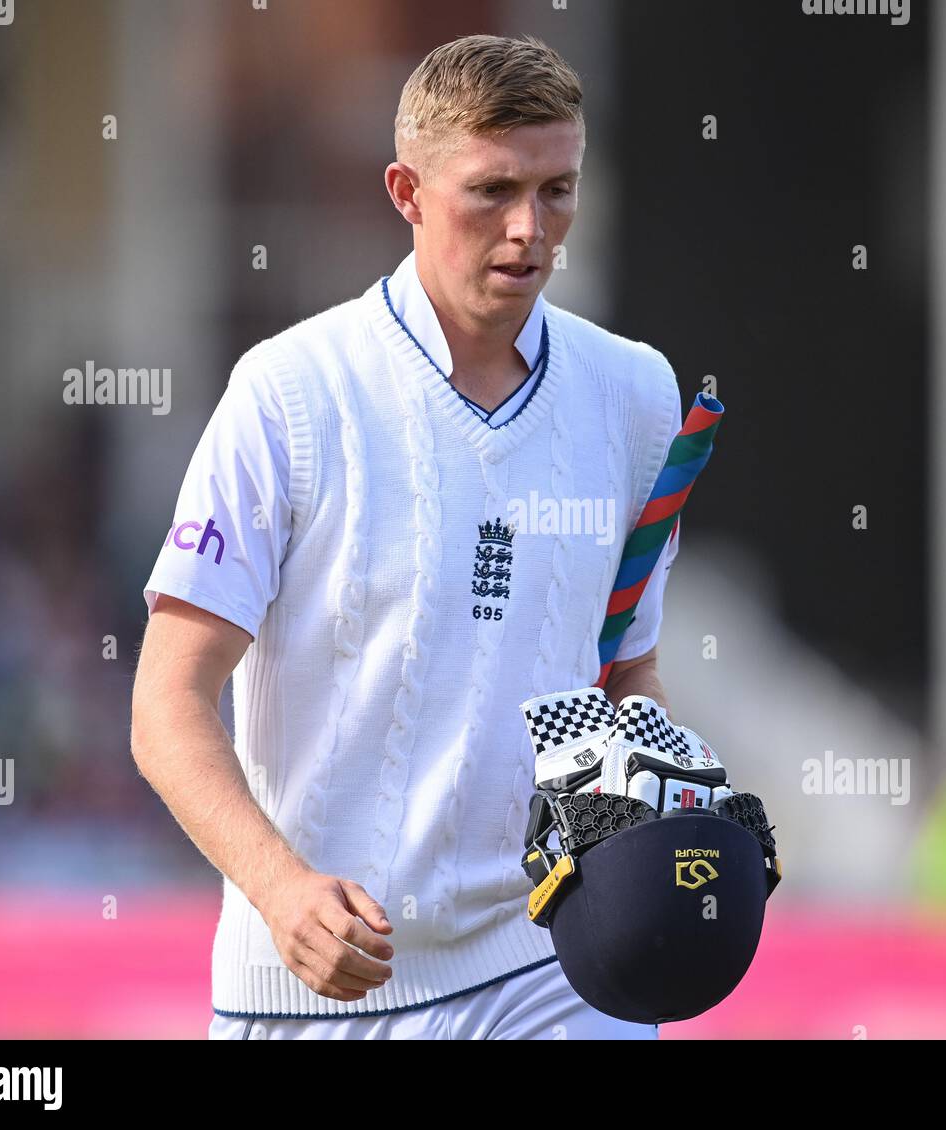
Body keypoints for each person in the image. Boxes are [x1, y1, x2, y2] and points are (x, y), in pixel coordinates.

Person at [131, 33, 682, 1040]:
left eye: (558, 189)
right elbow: (166, 700)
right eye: (493, 190)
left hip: (554, 960)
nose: (530, 229)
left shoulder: (638, 394)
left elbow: (623, 671)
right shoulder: (289, 393)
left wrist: (656, 827)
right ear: (406, 190)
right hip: (313, 980)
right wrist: (280, 887)